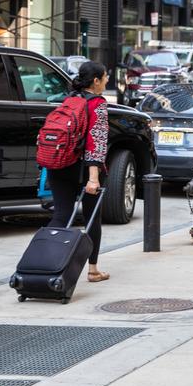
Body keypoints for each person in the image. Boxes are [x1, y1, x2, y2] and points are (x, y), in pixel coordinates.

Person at [44, 61, 111, 283]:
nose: (107, 80)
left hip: (59, 164)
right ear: (96, 80)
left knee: (61, 215)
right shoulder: (98, 104)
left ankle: (47, 263)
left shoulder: (69, 99)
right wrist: (94, 177)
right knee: (92, 218)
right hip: (83, 169)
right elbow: (96, 142)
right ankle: (92, 270)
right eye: (105, 76)